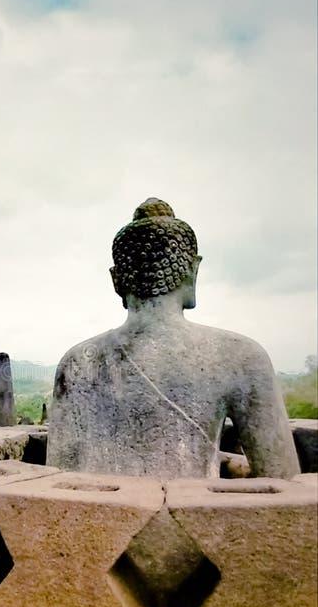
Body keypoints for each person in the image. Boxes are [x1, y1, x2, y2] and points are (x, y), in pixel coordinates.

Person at [47, 198, 299, 479]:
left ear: (117, 280)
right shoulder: (242, 357)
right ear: (192, 270)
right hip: (197, 507)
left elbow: (57, 482)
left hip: (99, 507)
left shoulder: (77, 363)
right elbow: (284, 482)